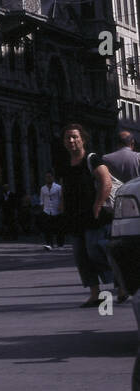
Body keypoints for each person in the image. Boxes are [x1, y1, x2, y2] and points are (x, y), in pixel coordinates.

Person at [62, 123, 114, 307]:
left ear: (82, 139)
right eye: (68, 137)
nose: (71, 140)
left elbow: (106, 181)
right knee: (81, 257)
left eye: (75, 137)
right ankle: (95, 293)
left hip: (95, 215)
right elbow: (65, 189)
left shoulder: (92, 159)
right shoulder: (66, 163)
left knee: (95, 252)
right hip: (75, 217)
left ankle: (119, 285)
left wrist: (98, 204)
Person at [38, 170, 64, 249]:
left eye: (50, 177)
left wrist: (61, 206)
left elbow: (61, 198)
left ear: (53, 177)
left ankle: (60, 244)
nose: (48, 178)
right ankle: (49, 244)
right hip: (47, 210)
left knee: (59, 228)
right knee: (47, 229)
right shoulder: (43, 188)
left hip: (56, 210)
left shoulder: (58, 187)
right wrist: (43, 209)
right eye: (47, 177)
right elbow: (42, 199)